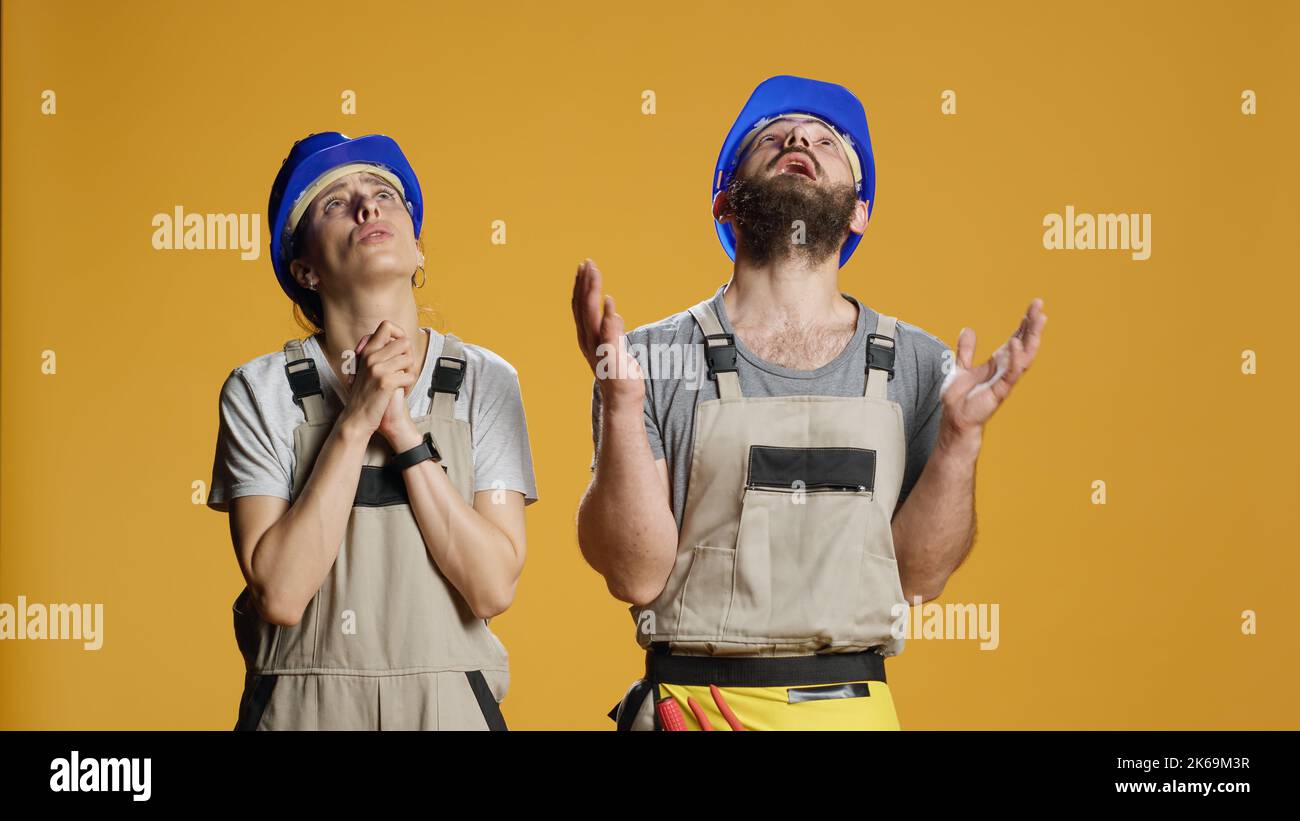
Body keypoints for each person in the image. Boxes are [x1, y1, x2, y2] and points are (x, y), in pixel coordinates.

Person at [573, 75, 1047, 730]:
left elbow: (918, 578)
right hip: (695, 710)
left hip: (851, 712)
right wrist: (621, 407)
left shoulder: (916, 363)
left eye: (828, 141)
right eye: (772, 137)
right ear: (724, 202)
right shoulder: (644, 360)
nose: (800, 138)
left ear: (859, 212)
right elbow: (634, 574)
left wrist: (959, 443)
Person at [207, 131, 538, 730]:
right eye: (335, 203)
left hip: (450, 714)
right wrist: (356, 420)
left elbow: (491, 587)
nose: (367, 207)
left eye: (384, 194)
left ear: (419, 249)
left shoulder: (486, 381)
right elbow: (280, 593)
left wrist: (405, 435)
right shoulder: (259, 391)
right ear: (304, 268)